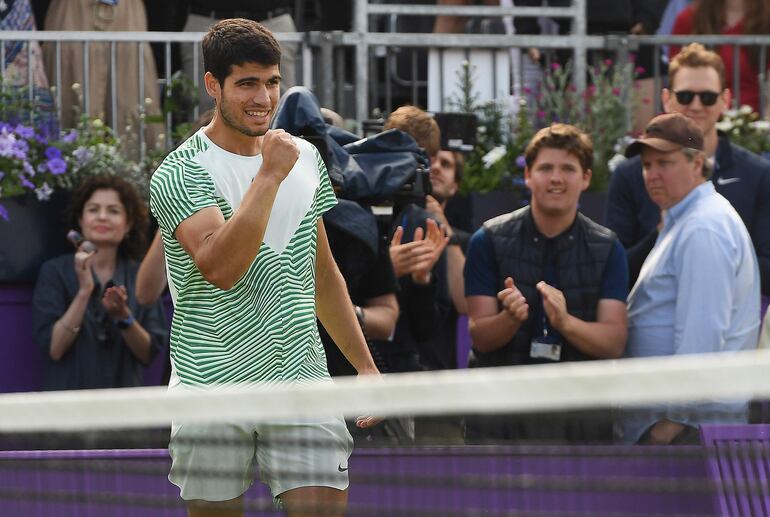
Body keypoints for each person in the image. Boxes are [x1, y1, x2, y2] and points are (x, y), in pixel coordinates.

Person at [148, 18, 380, 516]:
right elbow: (221, 267)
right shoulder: (179, 172)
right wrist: (270, 175)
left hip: (302, 383)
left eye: (272, 82)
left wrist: (364, 366)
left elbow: (322, 276)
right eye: (247, 83)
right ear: (214, 85)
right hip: (209, 389)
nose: (264, 97)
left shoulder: (308, 159)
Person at [464, 123, 629, 443]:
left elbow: (613, 341)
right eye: (545, 168)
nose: (556, 178)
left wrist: (566, 323)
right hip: (499, 417)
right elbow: (480, 337)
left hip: (581, 418)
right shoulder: (487, 240)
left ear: (585, 179)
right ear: (528, 176)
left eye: (568, 168)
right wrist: (509, 318)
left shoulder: (609, 247)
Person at [619, 112, 760, 445]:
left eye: (663, 164)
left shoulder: (703, 227)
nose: (652, 175)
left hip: (688, 431)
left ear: (697, 164)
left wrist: (671, 424)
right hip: (687, 425)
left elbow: (703, 335)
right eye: (646, 165)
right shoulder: (689, 220)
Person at [606, 43, 770, 296]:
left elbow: (768, 269)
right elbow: (614, 272)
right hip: (649, 319)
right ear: (666, 99)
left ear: (725, 100)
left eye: (707, 97)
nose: (695, 105)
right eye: (684, 96)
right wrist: (663, 232)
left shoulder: (758, 174)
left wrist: (705, 258)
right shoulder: (628, 174)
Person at [32, 175, 166, 391]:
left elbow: (148, 354)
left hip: (125, 413)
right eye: (93, 209)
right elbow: (55, 348)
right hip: (66, 412)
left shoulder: (141, 274)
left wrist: (123, 316)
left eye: (113, 211)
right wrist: (84, 291)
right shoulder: (54, 272)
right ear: (81, 219)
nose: (102, 217)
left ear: (128, 224)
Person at [42, 0, 162, 144]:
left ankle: (133, 162)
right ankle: (71, 158)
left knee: (130, 95)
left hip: (125, 12)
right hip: (73, 12)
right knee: (73, 87)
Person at [182, 0, 299, 113]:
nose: (262, 98)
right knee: (204, 103)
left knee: (281, 103)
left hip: (274, 18)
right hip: (206, 17)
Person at [670, 0, 770, 115]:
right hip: (697, 119)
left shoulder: (766, 19)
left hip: (750, 123)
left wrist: (765, 128)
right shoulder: (689, 19)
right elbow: (677, 81)